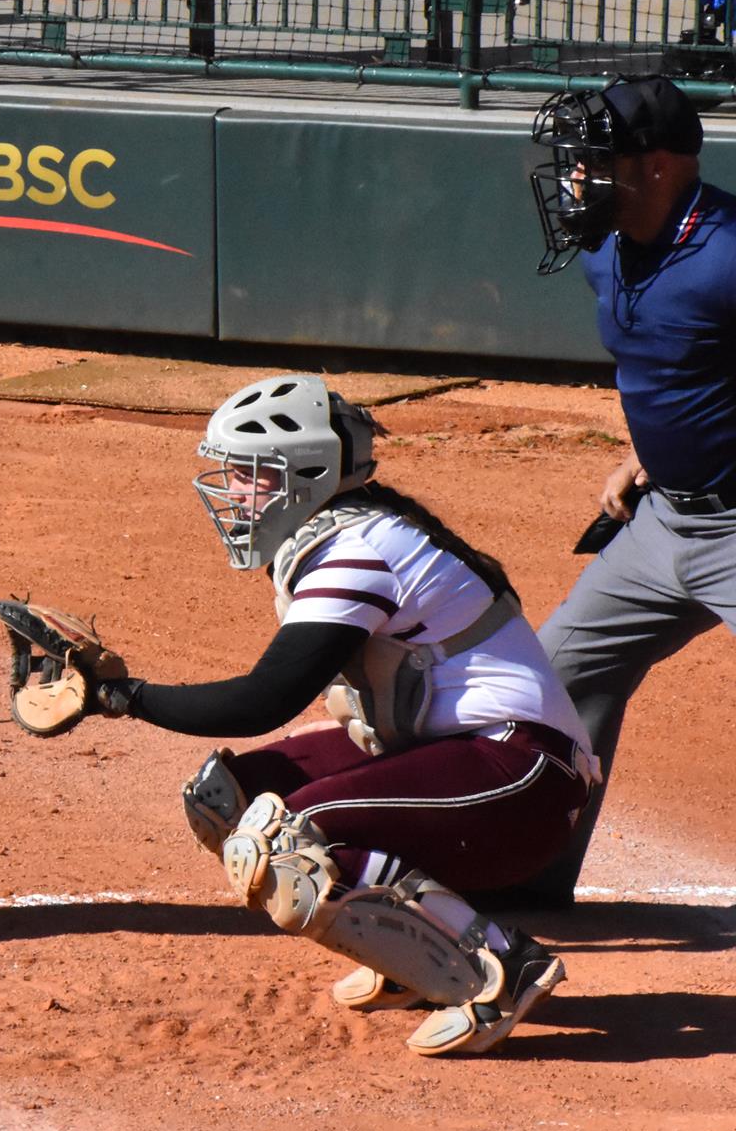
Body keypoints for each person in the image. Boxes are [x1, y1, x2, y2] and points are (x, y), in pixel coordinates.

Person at [90, 373, 595, 1056]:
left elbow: (262, 699)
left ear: (304, 474)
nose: (233, 491)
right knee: (226, 799)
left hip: (523, 779)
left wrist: (122, 696)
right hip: (468, 756)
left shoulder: (359, 551)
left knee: (286, 839)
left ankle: (502, 963)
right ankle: (417, 959)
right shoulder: (343, 531)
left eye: (248, 473)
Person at [515, 74, 736, 905]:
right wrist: (644, 451)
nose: (575, 175)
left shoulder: (726, 257)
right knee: (557, 680)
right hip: (662, 525)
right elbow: (662, 361)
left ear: (658, 168)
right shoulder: (605, 246)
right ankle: (531, 886)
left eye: (595, 158)